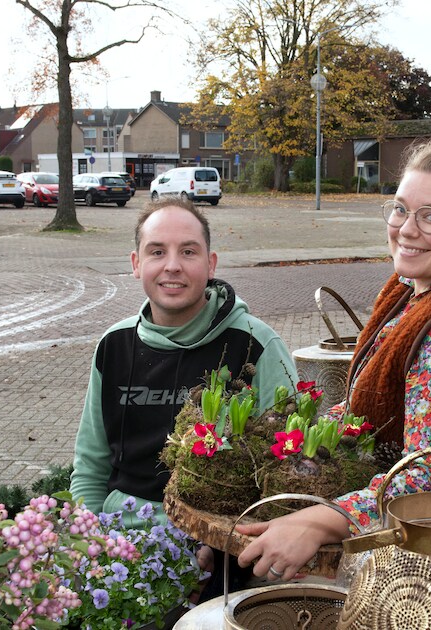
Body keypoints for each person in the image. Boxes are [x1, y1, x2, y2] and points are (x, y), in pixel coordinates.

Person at [236, 140, 431, 581]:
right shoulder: (414, 288)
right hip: (401, 560)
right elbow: (374, 405)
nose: (407, 229)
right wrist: (287, 440)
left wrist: (320, 522)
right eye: (400, 209)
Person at [69, 197, 297, 589]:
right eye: (157, 251)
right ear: (136, 263)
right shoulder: (114, 345)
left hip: (219, 554)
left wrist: (225, 548)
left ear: (211, 264)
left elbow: (286, 478)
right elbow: (91, 464)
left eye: (188, 252)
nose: (172, 265)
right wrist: (84, 544)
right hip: (118, 547)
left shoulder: (256, 345)